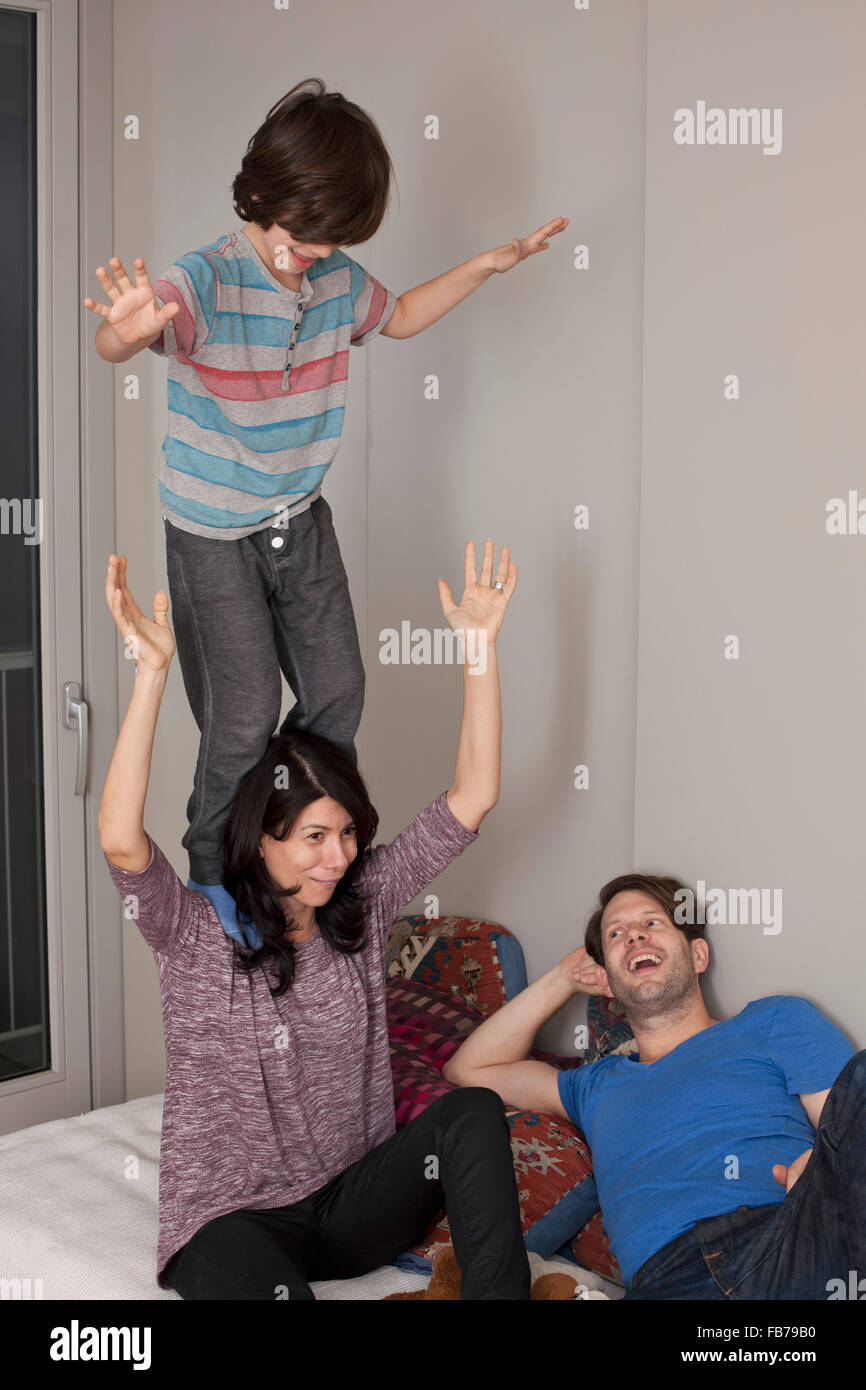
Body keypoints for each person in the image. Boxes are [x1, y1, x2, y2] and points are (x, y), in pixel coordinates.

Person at [84, 75, 568, 938]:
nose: (316, 252)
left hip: (297, 518)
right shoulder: (206, 279)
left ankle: (300, 852)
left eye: (336, 237)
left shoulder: (338, 278)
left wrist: (487, 266)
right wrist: (122, 327)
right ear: (263, 194)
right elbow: (130, 336)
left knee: (339, 692)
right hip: (211, 531)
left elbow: (407, 312)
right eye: (305, 234)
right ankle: (214, 880)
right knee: (241, 716)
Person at [98, 536, 531, 1300]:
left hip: (348, 1207)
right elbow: (120, 841)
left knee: (471, 1112)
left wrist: (479, 649)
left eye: (348, 834)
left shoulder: (359, 906)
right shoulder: (192, 934)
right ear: (261, 840)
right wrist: (151, 676)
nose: (338, 857)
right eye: (313, 838)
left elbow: (472, 798)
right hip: (231, 1221)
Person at [443, 872, 863, 1300]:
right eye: (616, 933)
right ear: (605, 980)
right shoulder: (593, 1085)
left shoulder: (776, 1021)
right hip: (667, 1281)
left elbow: (848, 1127)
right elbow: (470, 1069)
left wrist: (821, 1171)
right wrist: (562, 978)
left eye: (653, 923)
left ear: (698, 955)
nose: (635, 937)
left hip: (787, 1241)